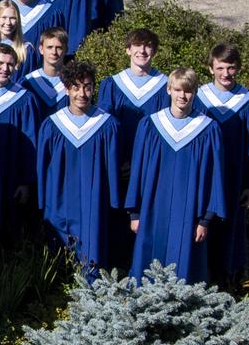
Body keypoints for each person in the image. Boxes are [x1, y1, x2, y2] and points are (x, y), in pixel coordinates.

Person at [126, 67, 229, 284]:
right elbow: (138, 171)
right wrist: (135, 213)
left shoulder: (208, 130)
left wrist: (205, 220)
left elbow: (214, 178)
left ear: (195, 92)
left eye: (188, 91)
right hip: (153, 209)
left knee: (186, 270)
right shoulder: (150, 125)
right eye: (178, 90)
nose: (183, 96)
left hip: (190, 213)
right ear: (169, 90)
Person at [36, 60, 123, 275]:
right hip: (58, 201)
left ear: (94, 88)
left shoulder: (107, 125)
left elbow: (112, 168)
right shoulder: (52, 125)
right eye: (76, 87)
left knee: (92, 255)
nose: (82, 93)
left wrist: (112, 201)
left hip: (94, 201)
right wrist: (42, 201)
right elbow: (42, 167)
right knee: (59, 256)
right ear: (67, 89)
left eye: (87, 87)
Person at [197, 42, 249, 282]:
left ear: (238, 68)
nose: (225, 74)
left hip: (234, 178)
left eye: (231, 68)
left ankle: (227, 281)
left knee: (230, 229)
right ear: (210, 68)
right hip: (203, 176)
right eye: (220, 68)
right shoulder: (198, 98)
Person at [0, 41, 41, 229]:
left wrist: (26, 181)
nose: (5, 69)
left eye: (10, 64)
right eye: (0, 63)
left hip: (9, 173)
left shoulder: (24, 99)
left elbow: (30, 144)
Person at [99, 27, 168, 163]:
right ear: (128, 50)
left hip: (152, 159)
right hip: (118, 159)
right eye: (137, 45)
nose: (142, 51)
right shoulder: (111, 85)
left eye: (148, 46)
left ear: (154, 51)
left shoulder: (167, 86)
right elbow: (105, 128)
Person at [25, 25, 72, 114]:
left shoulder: (73, 82)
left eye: (59, 48)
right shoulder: (27, 82)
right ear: (41, 49)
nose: (54, 52)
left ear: (66, 50)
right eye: (49, 47)